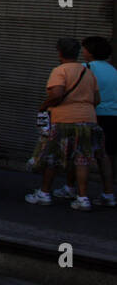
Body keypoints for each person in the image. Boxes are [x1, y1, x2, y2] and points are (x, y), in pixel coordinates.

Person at [25, 38, 104, 210]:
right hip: (88, 120)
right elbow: (97, 99)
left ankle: (44, 193)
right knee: (82, 159)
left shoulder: (60, 71)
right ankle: (83, 198)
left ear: (59, 52)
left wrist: (44, 106)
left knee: (52, 157)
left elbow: (57, 94)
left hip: (63, 120)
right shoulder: (88, 72)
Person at [80, 36, 116, 206]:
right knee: (104, 155)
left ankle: (80, 193)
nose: (83, 52)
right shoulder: (113, 70)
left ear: (90, 52)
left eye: (85, 49)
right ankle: (108, 193)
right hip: (112, 116)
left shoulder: (85, 69)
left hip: (91, 115)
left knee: (82, 155)